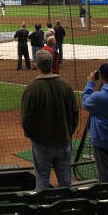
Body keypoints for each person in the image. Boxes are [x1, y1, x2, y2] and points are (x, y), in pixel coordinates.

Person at [21, 50, 79, 190]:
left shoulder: (32, 88)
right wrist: (68, 132)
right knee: (66, 182)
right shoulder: (66, 85)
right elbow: (75, 113)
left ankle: (44, 205)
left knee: (42, 181)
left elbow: (26, 119)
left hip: (41, 142)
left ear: (37, 65)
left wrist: (32, 135)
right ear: (52, 64)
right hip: (63, 141)